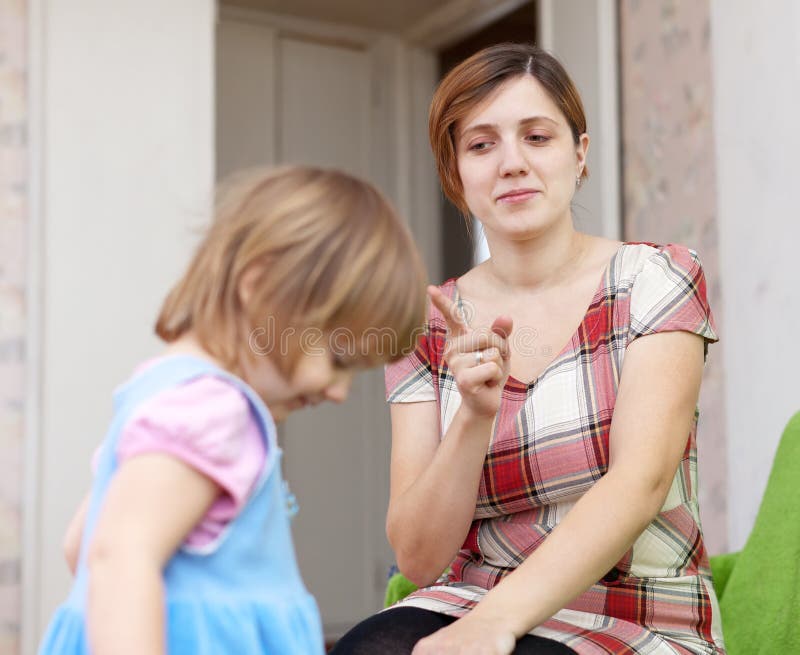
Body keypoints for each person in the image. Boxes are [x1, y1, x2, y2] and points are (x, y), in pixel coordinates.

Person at [330, 43, 726, 655]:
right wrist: (473, 416)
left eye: (537, 137)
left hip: (636, 610)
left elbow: (640, 482)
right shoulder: (426, 324)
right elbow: (418, 555)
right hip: (467, 597)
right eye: (482, 145)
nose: (511, 163)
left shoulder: (656, 279)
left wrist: (498, 624)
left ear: (580, 153)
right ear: (455, 173)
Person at [38, 166, 428, 655]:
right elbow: (119, 557)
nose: (339, 393)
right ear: (260, 285)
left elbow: (81, 544)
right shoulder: (215, 411)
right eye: (338, 360)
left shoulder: (160, 392)